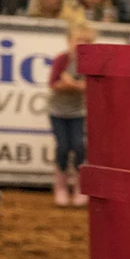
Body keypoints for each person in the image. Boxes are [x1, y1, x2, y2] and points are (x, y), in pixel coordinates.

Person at [48, 21, 95, 208]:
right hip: (58, 112)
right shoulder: (62, 60)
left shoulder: (91, 63)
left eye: (86, 40)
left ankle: (78, 186)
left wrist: (71, 85)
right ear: (69, 41)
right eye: (78, 40)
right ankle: (60, 186)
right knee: (63, 146)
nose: (81, 43)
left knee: (79, 146)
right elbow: (53, 84)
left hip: (78, 112)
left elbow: (91, 87)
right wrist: (76, 86)